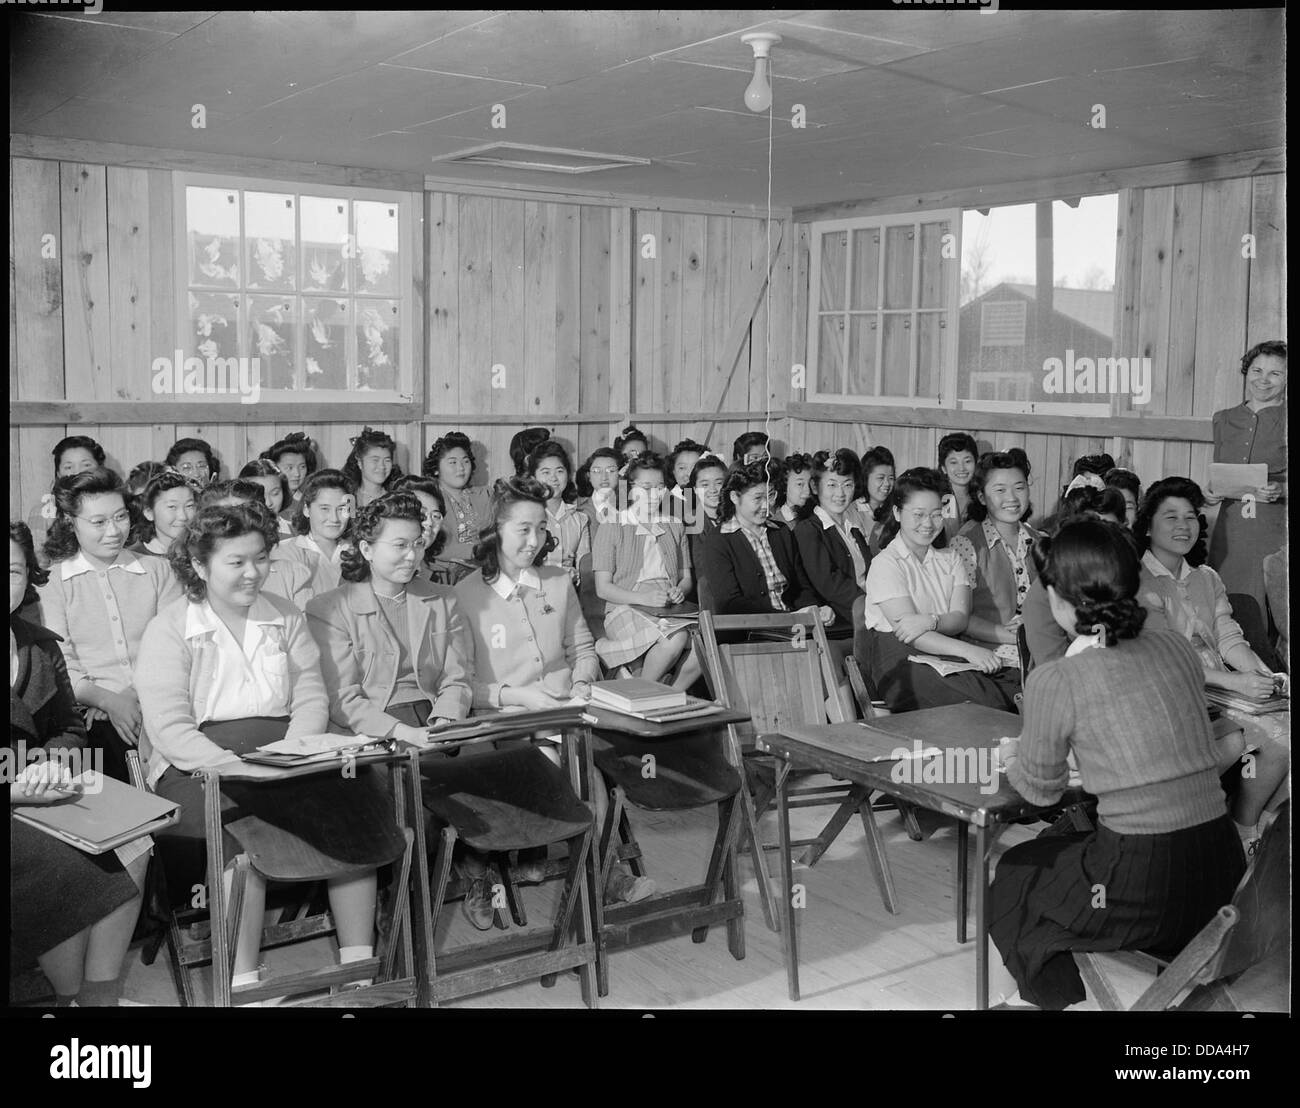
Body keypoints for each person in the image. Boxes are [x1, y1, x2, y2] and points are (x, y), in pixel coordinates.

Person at [137, 502, 405, 1003]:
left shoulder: (284, 613)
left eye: (260, 558)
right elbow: (171, 729)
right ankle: (243, 984)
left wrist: (293, 753)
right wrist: (241, 769)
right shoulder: (171, 627)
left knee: (357, 803)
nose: (252, 573)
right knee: (241, 833)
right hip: (196, 763)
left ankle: (358, 970)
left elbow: (309, 695)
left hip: (283, 750)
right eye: (235, 562)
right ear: (199, 566)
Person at [988, 519, 1244, 1010]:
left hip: (1145, 880)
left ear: (1060, 599)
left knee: (1020, 867)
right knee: (1057, 844)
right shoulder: (1175, 648)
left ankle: (1051, 1000)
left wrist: (1014, 755)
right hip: (1220, 867)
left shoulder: (1059, 679)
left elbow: (1039, 792)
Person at [455, 477, 655, 917]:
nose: (534, 540)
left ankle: (602, 876)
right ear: (496, 531)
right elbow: (462, 683)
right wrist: (518, 696)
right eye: (522, 529)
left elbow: (583, 649)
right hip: (499, 720)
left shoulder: (558, 581)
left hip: (563, 714)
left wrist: (582, 683)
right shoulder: (466, 596)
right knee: (493, 775)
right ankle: (482, 879)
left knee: (592, 782)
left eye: (541, 529)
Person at [10, 521, 149, 1007]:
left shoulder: (38, 644)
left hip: (42, 785)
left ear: (28, 578)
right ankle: (67, 996)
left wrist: (51, 760)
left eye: (11, 570)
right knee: (61, 863)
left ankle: (98, 995)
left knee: (135, 839)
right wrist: (14, 787)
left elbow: (70, 725)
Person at [1134, 476, 1289, 851]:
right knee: (1280, 738)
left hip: (1221, 687)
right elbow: (1165, 657)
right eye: (1171, 517)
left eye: (1190, 516)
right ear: (1148, 525)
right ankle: (1243, 828)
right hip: (1175, 691)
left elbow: (1229, 638)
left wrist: (1264, 676)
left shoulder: (1207, 577)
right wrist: (1238, 684)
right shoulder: (1138, 582)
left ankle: (1268, 830)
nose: (1183, 525)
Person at [38, 469, 183, 782]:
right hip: (92, 714)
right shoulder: (52, 584)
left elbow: (175, 646)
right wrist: (107, 700)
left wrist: (131, 697)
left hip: (161, 701)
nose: (114, 530)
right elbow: (61, 663)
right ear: (69, 521)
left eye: (120, 517)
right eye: (98, 522)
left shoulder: (159, 571)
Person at [306, 493, 471, 746]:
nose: (411, 555)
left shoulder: (445, 600)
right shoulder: (329, 609)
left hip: (436, 716)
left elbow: (457, 677)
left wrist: (445, 722)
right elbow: (343, 698)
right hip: (374, 727)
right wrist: (406, 733)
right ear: (366, 549)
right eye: (400, 545)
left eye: (417, 544)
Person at [858, 467, 1014, 713]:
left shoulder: (950, 558)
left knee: (1016, 688)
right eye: (918, 514)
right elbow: (911, 634)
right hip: (901, 664)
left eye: (936, 514)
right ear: (897, 513)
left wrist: (930, 621)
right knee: (985, 704)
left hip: (945, 653)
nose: (928, 524)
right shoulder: (886, 563)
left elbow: (960, 619)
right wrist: (969, 650)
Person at [1206, 340, 1287, 667]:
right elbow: (1218, 474)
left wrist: (1281, 489)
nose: (1263, 379)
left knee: (1274, 614)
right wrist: (1209, 492)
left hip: (1272, 532)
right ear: (1246, 371)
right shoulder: (1223, 419)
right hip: (1231, 533)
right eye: (1257, 370)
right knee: (1228, 608)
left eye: (1275, 373)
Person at [592, 452, 701, 688]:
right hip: (625, 606)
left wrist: (679, 591)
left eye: (660, 487)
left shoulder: (674, 525)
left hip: (668, 607)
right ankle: (642, 695)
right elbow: (603, 589)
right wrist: (644, 597)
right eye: (646, 487)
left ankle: (662, 695)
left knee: (706, 645)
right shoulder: (612, 525)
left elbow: (686, 578)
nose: (655, 494)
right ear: (630, 489)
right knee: (675, 639)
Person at [950, 451, 1041, 702]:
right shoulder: (966, 543)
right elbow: (961, 618)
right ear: (981, 496)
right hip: (991, 663)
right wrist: (1013, 636)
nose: (1012, 498)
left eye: (1019, 487)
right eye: (999, 490)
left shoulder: (1041, 541)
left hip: (1042, 655)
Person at [701, 462, 831, 628]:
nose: (766, 506)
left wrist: (815, 610)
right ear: (735, 497)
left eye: (770, 496)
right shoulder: (718, 541)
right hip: (750, 632)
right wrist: (787, 618)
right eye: (757, 498)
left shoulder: (781, 532)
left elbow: (801, 587)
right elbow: (730, 604)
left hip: (794, 625)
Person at [1020, 485, 1132, 669]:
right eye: (1090, 532)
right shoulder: (1045, 593)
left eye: (1111, 531)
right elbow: (1054, 668)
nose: (1100, 544)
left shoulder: (1133, 580)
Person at [792, 449, 871, 669]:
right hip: (845, 620)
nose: (841, 493)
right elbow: (829, 583)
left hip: (868, 612)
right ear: (816, 487)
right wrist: (870, 604)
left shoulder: (852, 527)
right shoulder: (808, 530)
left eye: (847, 484)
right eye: (832, 485)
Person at [199, 481, 315, 608]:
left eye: (244, 517)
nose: (235, 528)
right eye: (224, 521)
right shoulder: (192, 576)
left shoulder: (292, 575)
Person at [422, 432, 491, 580]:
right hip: (440, 576)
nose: (461, 468)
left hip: (483, 572)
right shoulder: (428, 499)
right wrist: (474, 551)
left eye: (465, 461)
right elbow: (428, 545)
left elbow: (493, 536)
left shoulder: (485, 495)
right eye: (452, 462)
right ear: (436, 468)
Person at [525, 440, 590, 591]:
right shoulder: (526, 517)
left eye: (560, 471)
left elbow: (584, 563)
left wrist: (576, 576)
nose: (553, 478)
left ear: (568, 475)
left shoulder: (580, 519)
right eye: (546, 472)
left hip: (570, 593)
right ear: (534, 478)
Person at [289, 469, 356, 595]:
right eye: (325, 508)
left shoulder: (359, 552)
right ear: (306, 510)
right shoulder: (287, 553)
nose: (334, 518)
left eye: (342, 509)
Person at [686, 453, 729, 606]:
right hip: (703, 600)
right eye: (704, 484)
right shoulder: (689, 522)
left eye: (719, 483)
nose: (713, 489)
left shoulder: (737, 518)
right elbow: (701, 573)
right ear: (695, 489)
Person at [390, 474, 449, 584]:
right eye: (422, 513)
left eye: (436, 516)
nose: (430, 523)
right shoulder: (378, 569)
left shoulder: (443, 575)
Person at [127, 469, 197, 558]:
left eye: (189, 506)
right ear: (149, 513)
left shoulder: (204, 552)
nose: (183, 516)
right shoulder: (134, 558)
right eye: (172, 507)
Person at [260, 431, 318, 522]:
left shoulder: (311, 501)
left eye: (302, 467)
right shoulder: (265, 501)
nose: (297, 474)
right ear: (274, 467)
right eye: (289, 467)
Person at [342, 426, 403, 508]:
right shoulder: (349, 497)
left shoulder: (395, 498)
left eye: (387, 460)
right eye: (375, 460)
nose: (382, 466)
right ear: (360, 462)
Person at [937, 432, 978, 543]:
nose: (962, 468)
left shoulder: (982, 498)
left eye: (967, 461)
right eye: (954, 462)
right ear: (944, 468)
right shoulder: (935, 498)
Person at [238, 459, 294, 535]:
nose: (268, 503)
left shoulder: (296, 534)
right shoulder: (231, 534)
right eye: (261, 494)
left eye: (275, 493)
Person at [856, 446, 896, 555]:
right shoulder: (852, 511)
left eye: (891, 478)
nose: (887, 484)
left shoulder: (895, 511)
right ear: (865, 478)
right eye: (880, 478)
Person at [575, 447, 622, 531]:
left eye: (611, 471)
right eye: (597, 471)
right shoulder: (580, 514)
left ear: (620, 474)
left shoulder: (630, 509)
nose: (604, 477)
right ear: (589, 476)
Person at [772, 452, 813, 527]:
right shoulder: (775, 524)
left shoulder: (817, 518)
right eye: (800, 484)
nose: (808, 491)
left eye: (810, 484)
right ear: (784, 485)